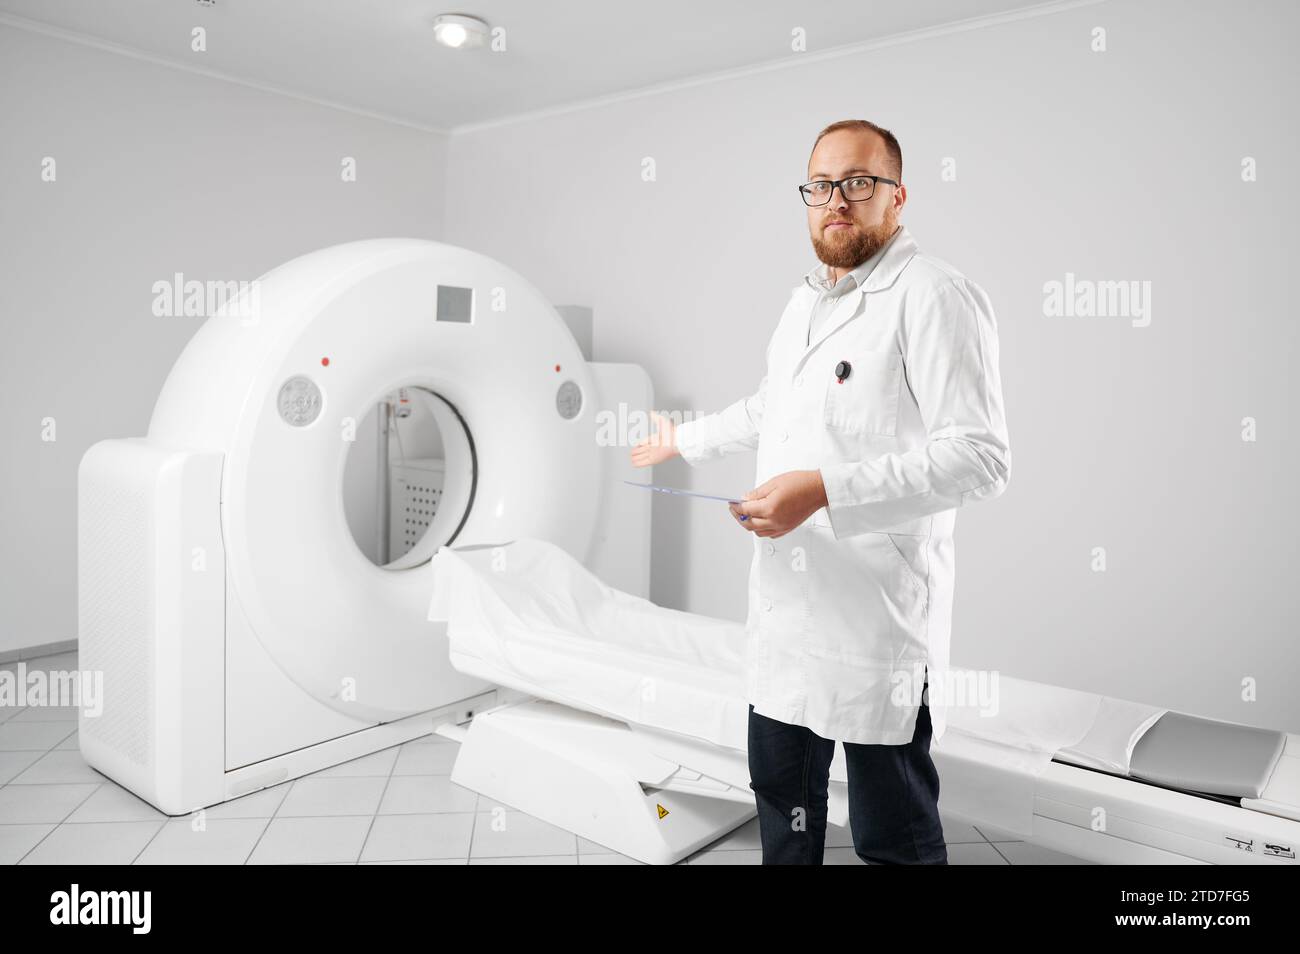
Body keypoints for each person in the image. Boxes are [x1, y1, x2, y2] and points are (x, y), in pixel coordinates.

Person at [630, 119, 1012, 864]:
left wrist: (825, 492)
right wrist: (685, 440)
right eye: (821, 185)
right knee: (782, 806)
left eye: (859, 183)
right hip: (784, 615)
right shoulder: (803, 303)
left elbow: (979, 458)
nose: (837, 199)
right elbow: (770, 406)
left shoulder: (934, 296)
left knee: (891, 834)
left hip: (875, 621)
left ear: (897, 198)